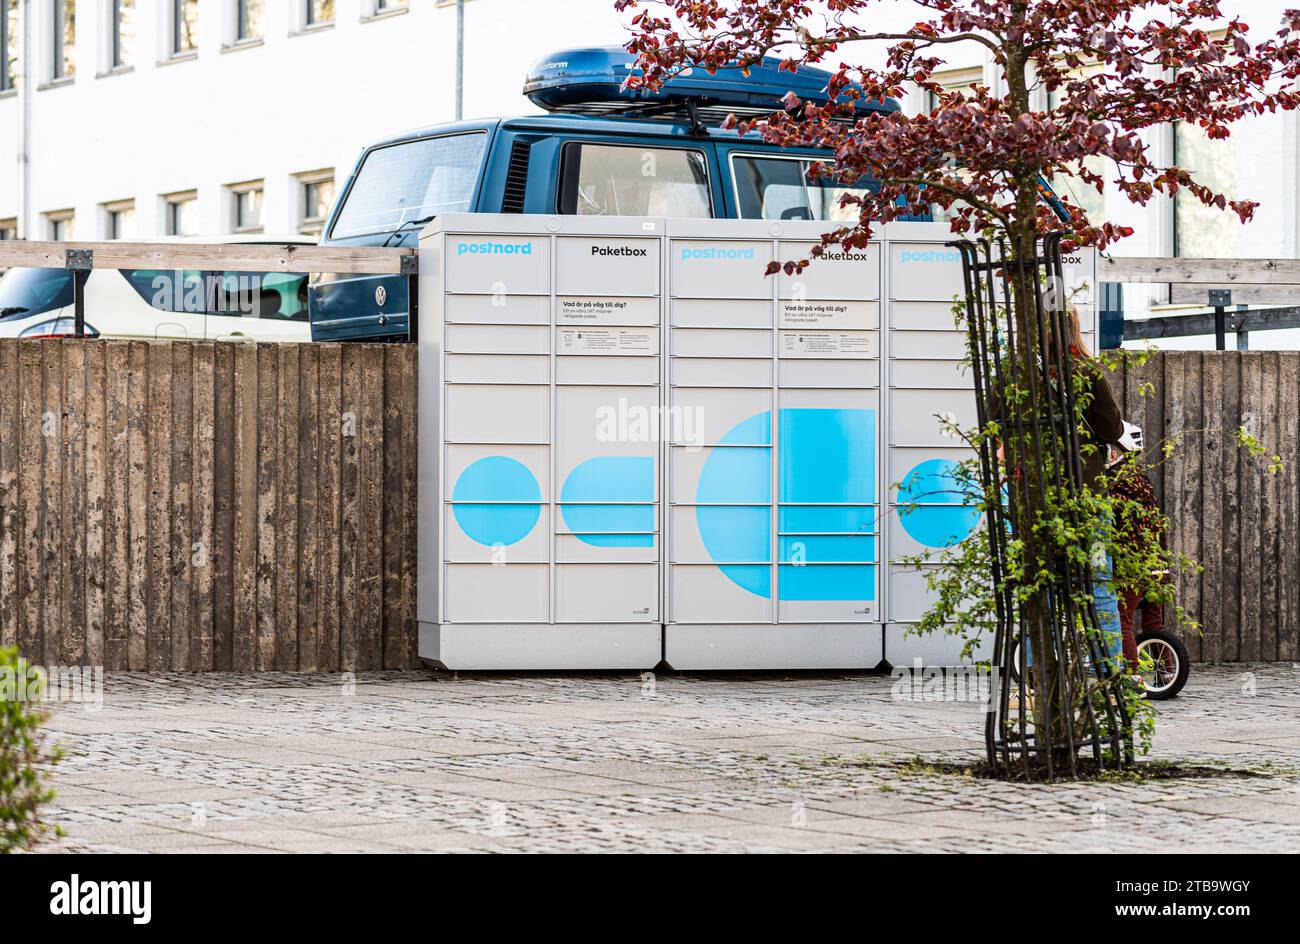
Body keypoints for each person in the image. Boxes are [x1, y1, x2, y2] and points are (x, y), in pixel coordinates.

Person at [1106, 422, 1166, 672]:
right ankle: (1166, 673)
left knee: (1122, 620)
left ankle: (1130, 675)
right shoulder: (1141, 479)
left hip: (1131, 565)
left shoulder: (1116, 484)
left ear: (1114, 453)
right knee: (1154, 622)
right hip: (1155, 562)